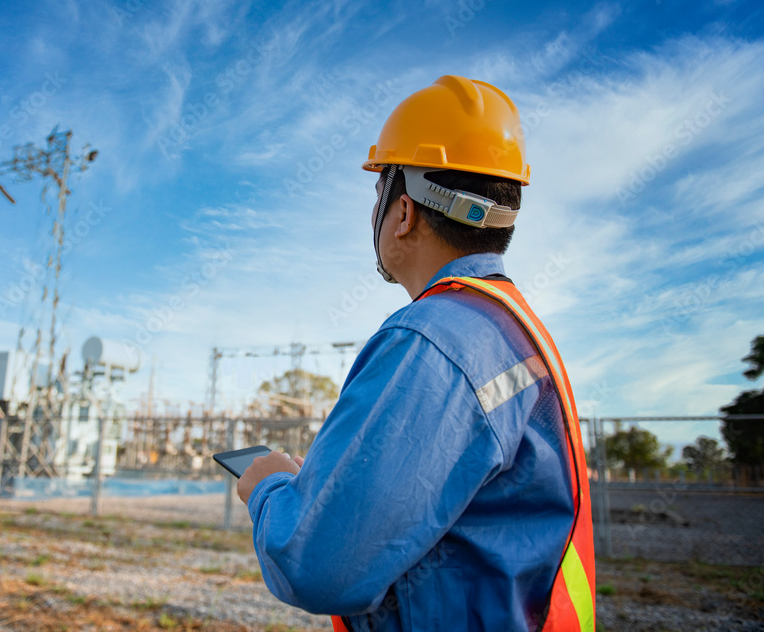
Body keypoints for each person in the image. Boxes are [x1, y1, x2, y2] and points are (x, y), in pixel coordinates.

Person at [237, 75, 595, 631]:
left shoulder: (432, 339)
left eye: (379, 191)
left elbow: (314, 566)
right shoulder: (505, 326)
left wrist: (269, 487)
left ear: (403, 212)